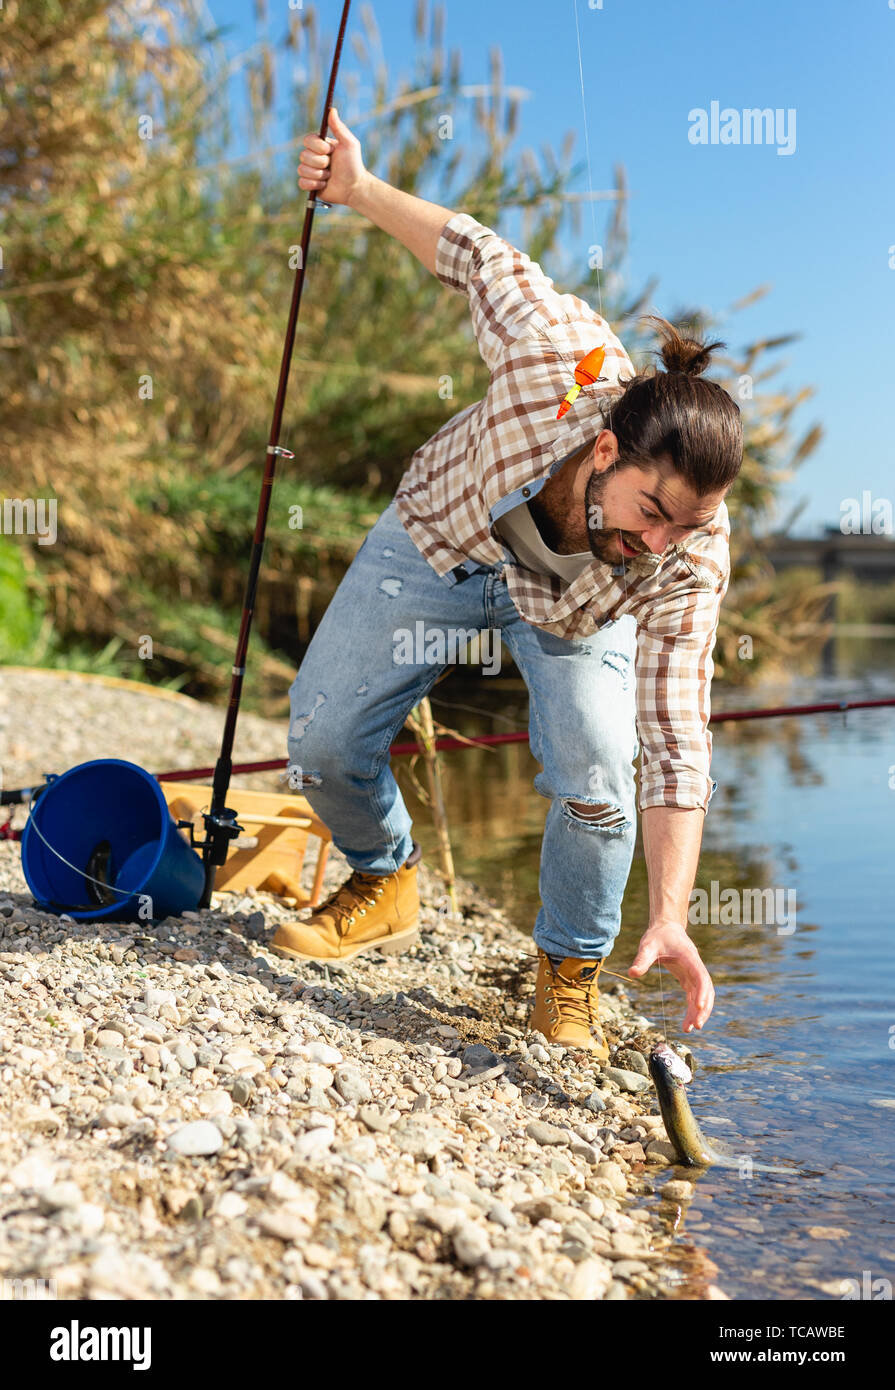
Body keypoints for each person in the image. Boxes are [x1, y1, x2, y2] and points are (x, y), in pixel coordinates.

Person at [271, 108, 742, 1058]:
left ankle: (567, 972)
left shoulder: (685, 552)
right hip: (441, 540)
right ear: (605, 450)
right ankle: (383, 877)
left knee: (600, 775)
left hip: (570, 617)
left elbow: (677, 735)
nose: (661, 542)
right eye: (650, 511)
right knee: (319, 743)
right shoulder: (554, 360)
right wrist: (356, 188)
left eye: (686, 524)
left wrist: (672, 913)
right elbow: (475, 255)